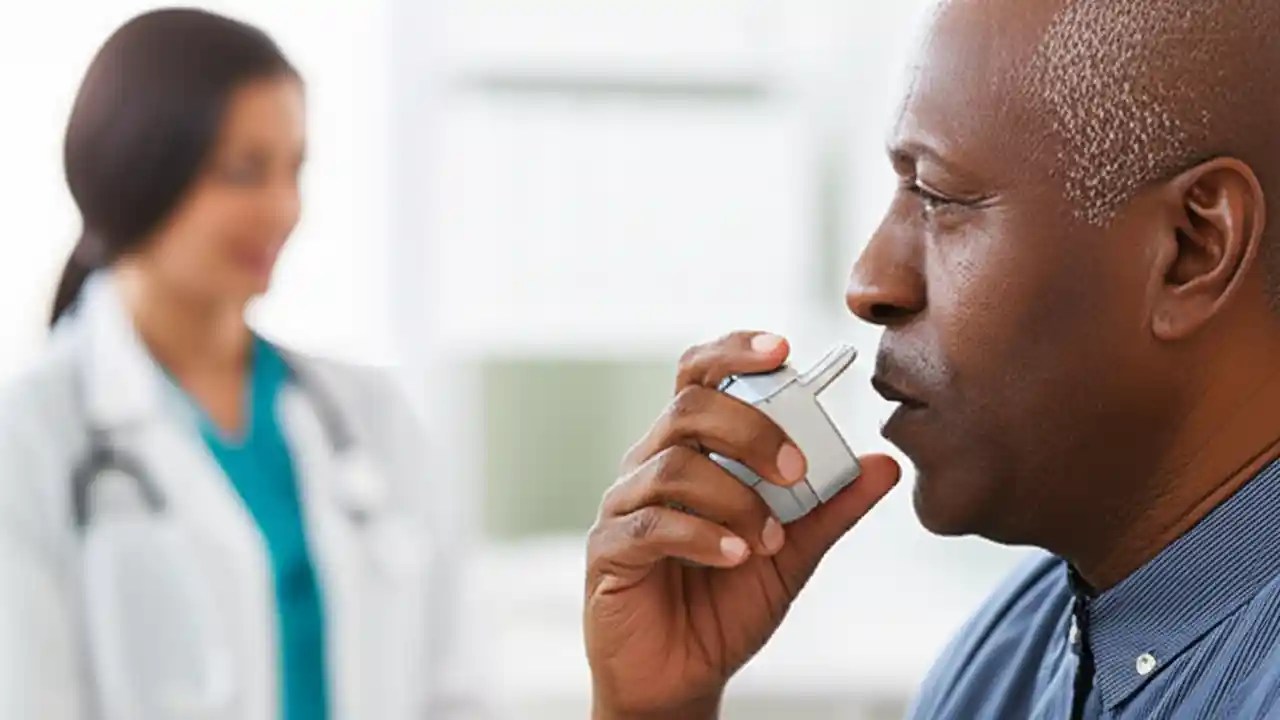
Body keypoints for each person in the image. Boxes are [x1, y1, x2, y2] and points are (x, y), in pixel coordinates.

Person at [583, 0, 1280, 718]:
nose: (869, 282)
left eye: (941, 197)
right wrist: (657, 707)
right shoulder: (1006, 654)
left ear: (1192, 248)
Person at [0, 9, 473, 720]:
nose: (285, 208)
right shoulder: (31, 437)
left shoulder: (370, 416)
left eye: (295, 168)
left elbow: (457, 691)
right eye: (244, 172)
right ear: (139, 169)